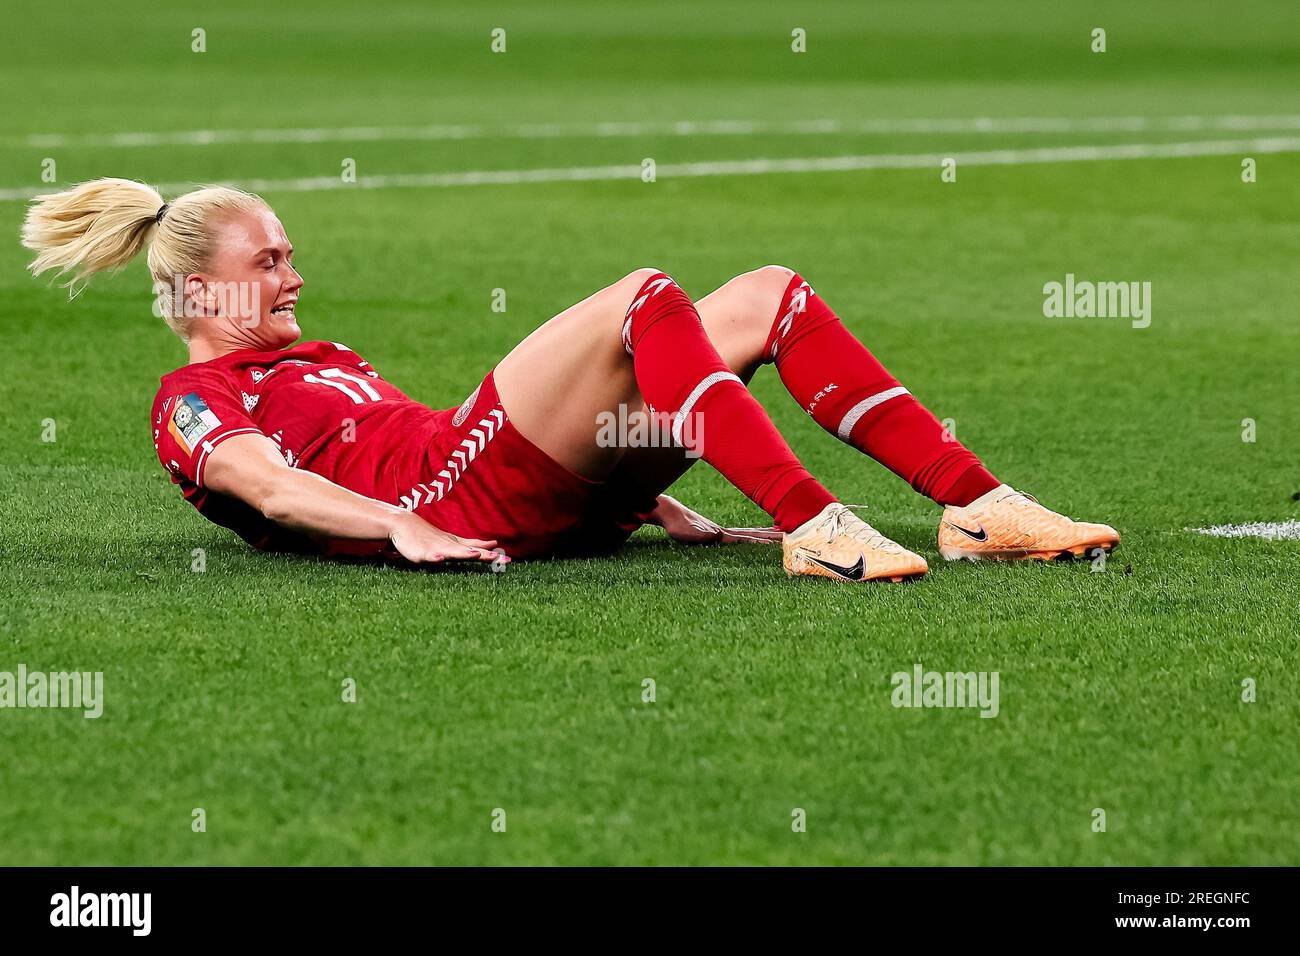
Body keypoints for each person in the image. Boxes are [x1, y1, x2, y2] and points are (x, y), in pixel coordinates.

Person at [21, 178, 1118, 582]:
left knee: (768, 293)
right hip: (455, 495)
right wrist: (400, 529)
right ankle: (811, 522)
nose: (296, 273)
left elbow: (409, 440)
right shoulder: (193, 398)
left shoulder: (319, 357)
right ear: (198, 295)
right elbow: (268, 488)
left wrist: (648, 494)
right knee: (646, 296)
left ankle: (970, 503)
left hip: (510, 485)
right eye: (267, 262)